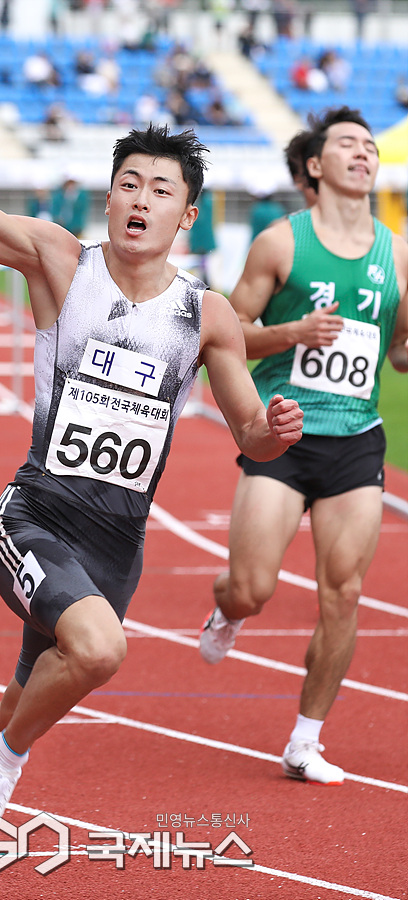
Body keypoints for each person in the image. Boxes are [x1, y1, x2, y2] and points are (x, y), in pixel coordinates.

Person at [0, 20, 304, 899]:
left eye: (161, 190)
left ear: (189, 214)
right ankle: (1, 772)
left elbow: (247, 433)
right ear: (108, 199)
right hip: (32, 515)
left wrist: (275, 434)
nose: (139, 199)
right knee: (100, 652)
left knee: (16, 702)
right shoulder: (60, 263)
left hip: (117, 543)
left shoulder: (206, 315)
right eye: (127, 184)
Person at [199, 106, 408, 785]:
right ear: (316, 166)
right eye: (347, 143)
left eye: (370, 146)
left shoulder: (398, 253)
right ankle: (227, 606)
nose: (363, 153)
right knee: (254, 587)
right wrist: (293, 335)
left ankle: (305, 740)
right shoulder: (281, 242)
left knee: (343, 593)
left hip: (356, 439)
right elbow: (225, 334)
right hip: (283, 432)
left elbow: (399, 351)